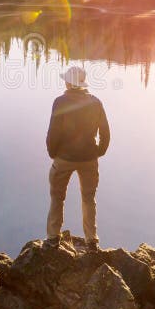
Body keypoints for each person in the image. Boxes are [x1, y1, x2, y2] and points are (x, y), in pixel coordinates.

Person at [45, 66, 110, 250]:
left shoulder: (60, 102)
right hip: (89, 159)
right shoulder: (96, 102)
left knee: (57, 197)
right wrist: (99, 151)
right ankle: (91, 241)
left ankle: (53, 239)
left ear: (68, 82)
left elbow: (53, 133)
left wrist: (53, 153)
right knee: (89, 198)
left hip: (64, 158)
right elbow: (105, 132)